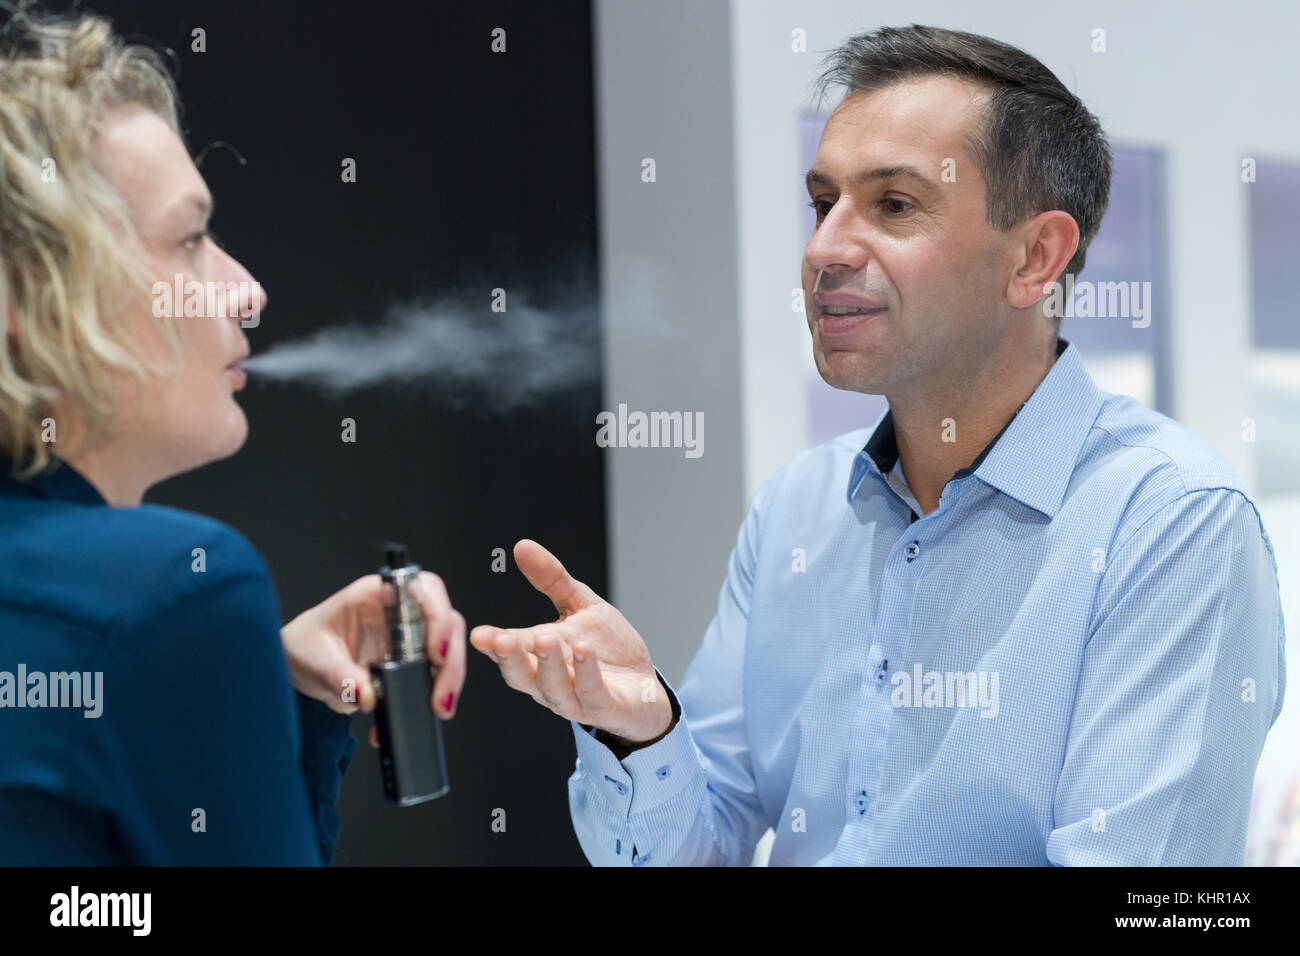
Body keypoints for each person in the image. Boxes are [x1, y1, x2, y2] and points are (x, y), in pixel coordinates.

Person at [471, 24, 1287, 865]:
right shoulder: (799, 509)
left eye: (894, 206)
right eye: (823, 204)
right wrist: (640, 732)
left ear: (1037, 258)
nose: (823, 249)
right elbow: (696, 847)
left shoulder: (1173, 526)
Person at [0, 8, 466, 864]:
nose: (246, 292)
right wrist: (199, 649)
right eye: (188, 239)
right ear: (28, 302)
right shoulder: (175, 593)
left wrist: (263, 691)